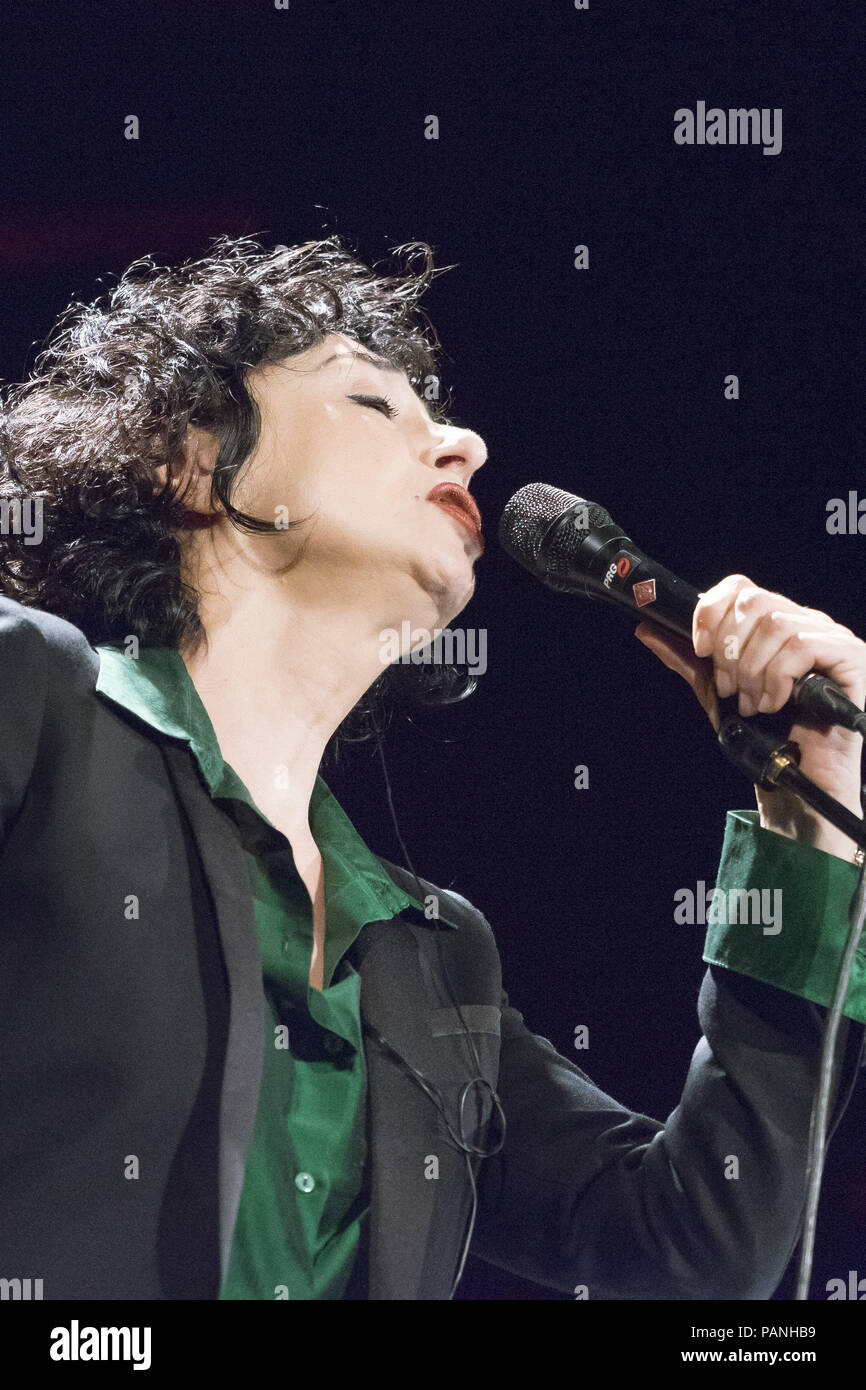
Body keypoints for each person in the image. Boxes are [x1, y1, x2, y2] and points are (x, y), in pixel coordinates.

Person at [0, 234, 864, 1301]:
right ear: (185, 460)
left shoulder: (434, 954)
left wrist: (806, 809)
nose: (463, 443)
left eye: (439, 413)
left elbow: (687, 1246)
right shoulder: (35, 705)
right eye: (372, 404)